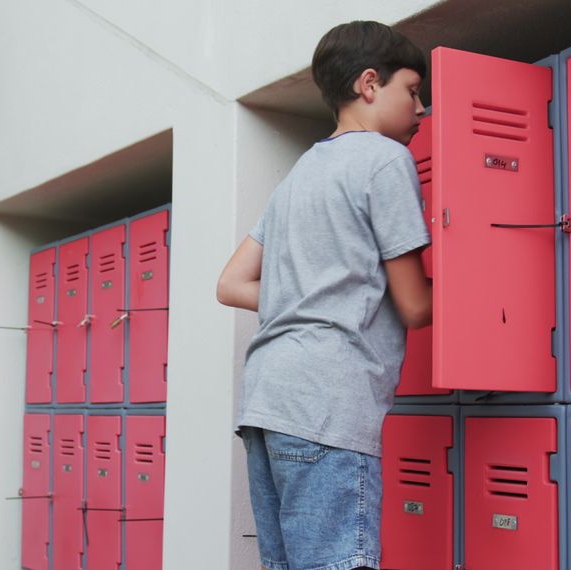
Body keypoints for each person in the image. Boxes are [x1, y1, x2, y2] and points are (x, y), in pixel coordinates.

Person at [216, 20, 434, 570]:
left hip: (267, 402)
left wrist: (306, 293)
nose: (421, 107)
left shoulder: (299, 175)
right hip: (327, 403)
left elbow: (231, 283)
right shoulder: (384, 159)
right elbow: (415, 305)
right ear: (368, 84)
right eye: (411, 90)